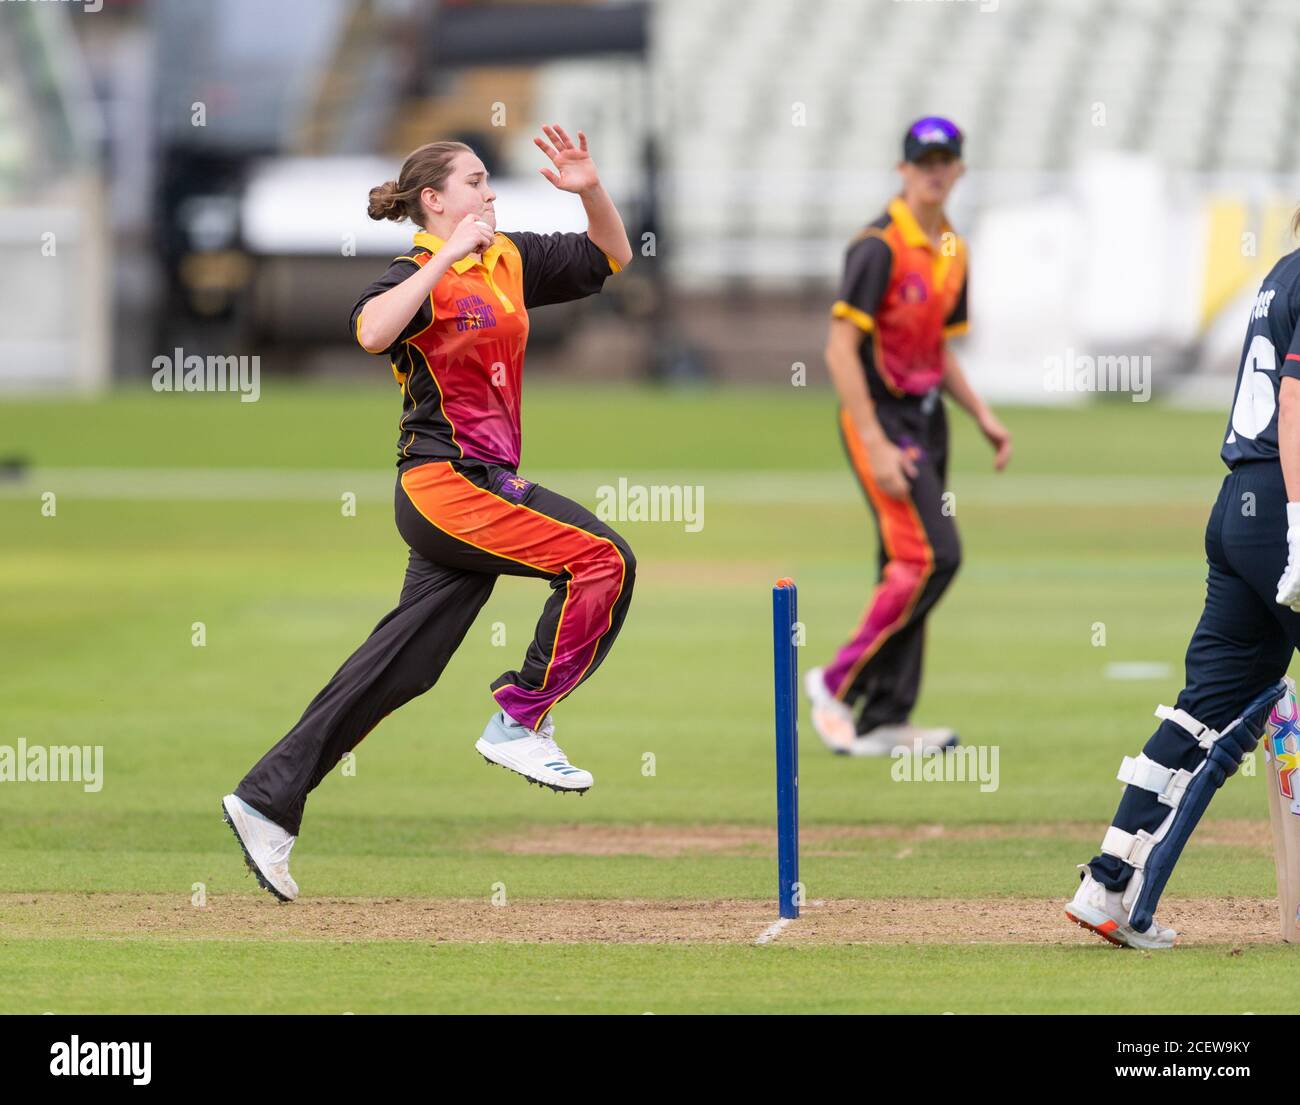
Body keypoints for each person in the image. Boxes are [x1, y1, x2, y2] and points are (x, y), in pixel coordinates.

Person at [222, 126, 636, 902]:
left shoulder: (509, 257)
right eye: (475, 182)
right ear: (436, 201)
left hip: (478, 493)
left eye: (489, 181)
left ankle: (265, 802)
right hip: (445, 487)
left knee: (401, 666)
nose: (490, 193)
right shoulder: (418, 271)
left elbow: (609, 256)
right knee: (601, 558)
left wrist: (588, 188)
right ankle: (520, 717)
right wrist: (444, 257)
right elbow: (372, 330)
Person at [1066, 220, 1300, 948]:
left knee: (1207, 712)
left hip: (1238, 504)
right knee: (1220, 710)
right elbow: (1296, 404)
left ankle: (1110, 883)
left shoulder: (1281, 273)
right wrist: (1299, 524)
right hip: (1282, 507)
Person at [804, 116, 1012, 757]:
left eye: (944, 158)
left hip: (929, 419)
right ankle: (835, 682)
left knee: (902, 565)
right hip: (883, 420)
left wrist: (980, 415)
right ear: (903, 169)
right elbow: (840, 352)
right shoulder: (878, 245)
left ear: (959, 169)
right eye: (923, 159)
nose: (933, 169)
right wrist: (874, 442)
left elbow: (940, 350)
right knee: (932, 558)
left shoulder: (954, 249)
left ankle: (884, 718)